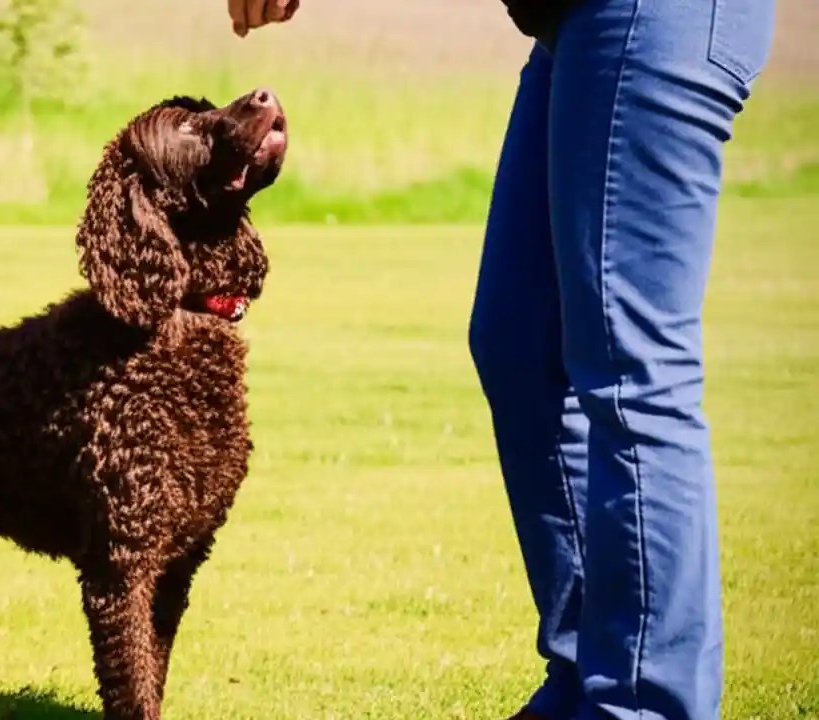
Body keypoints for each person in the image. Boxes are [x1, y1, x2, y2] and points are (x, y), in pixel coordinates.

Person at [224, 1, 776, 719]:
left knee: (631, 368)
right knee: (520, 347)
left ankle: (646, 706)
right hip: (573, 20)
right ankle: (585, 676)